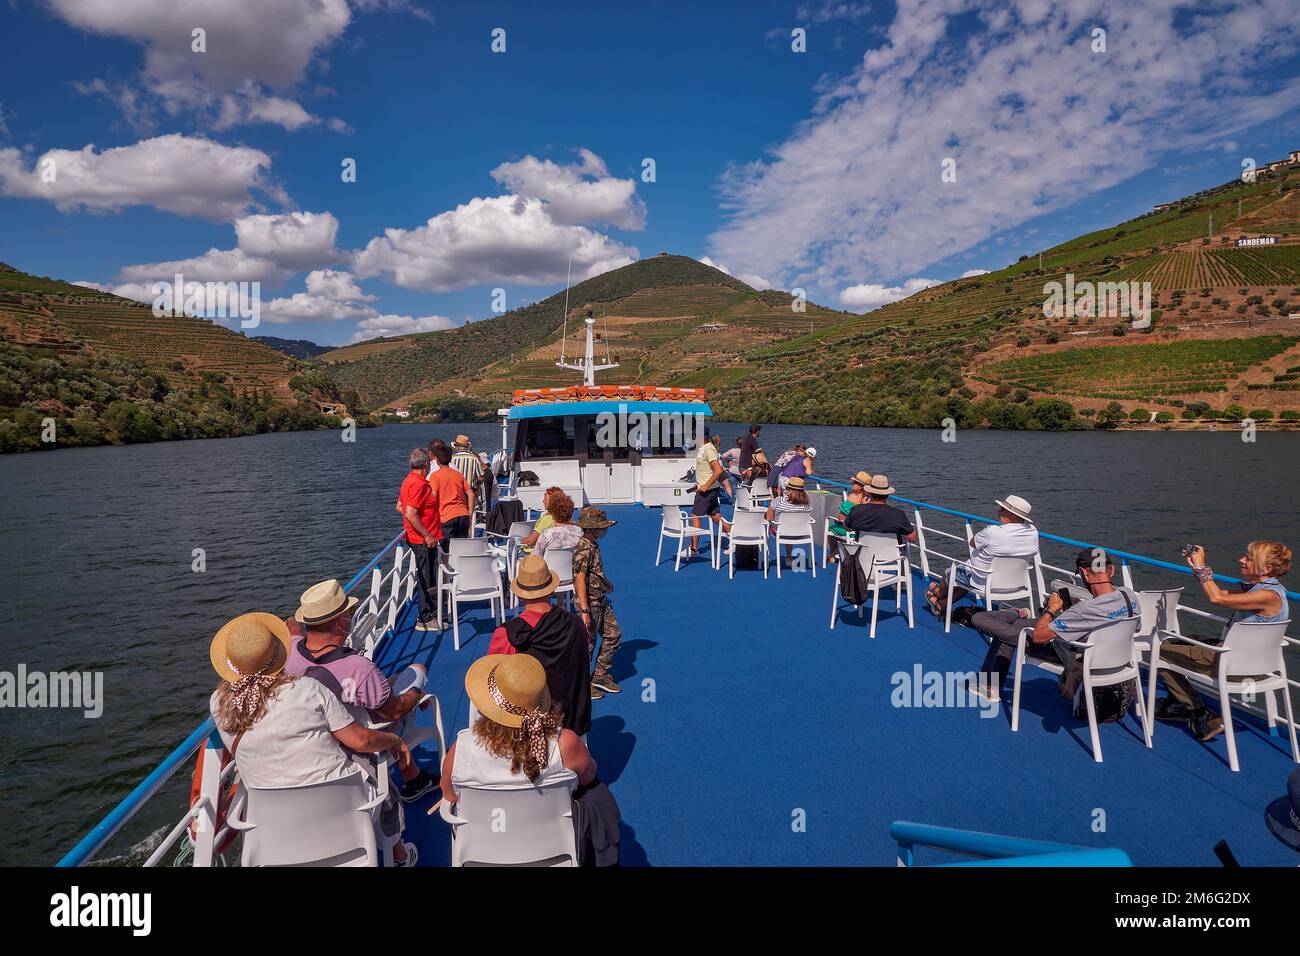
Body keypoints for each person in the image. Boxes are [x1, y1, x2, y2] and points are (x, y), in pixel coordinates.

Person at [208, 612, 420, 866]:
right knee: (379, 776)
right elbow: (361, 741)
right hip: (343, 810)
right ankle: (399, 855)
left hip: (273, 823)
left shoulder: (218, 703)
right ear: (278, 654)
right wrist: (395, 742)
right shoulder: (307, 689)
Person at [442, 654, 620, 866]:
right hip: (552, 849)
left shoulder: (462, 748)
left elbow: (450, 794)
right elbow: (589, 776)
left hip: (481, 852)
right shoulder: (566, 744)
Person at [284, 578, 437, 803]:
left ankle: (414, 775)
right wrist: (417, 693)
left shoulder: (290, 653)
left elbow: (292, 630)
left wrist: (295, 630)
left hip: (323, 733)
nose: (352, 615)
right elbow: (394, 712)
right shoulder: (358, 668)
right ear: (340, 625)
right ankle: (414, 779)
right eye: (350, 611)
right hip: (370, 732)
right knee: (417, 670)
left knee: (391, 680)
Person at [1153, 541, 1292, 742]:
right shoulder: (1270, 591)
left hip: (1233, 665)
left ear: (1267, 569)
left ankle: (1198, 712)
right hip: (1253, 661)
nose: (1241, 560)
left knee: (1161, 649)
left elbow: (1217, 598)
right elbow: (1223, 594)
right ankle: (1178, 702)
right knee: (1182, 641)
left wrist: (1202, 567)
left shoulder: (1267, 596)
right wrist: (1197, 568)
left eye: (1249, 558)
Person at [964, 548, 1131, 703]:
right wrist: (1071, 611)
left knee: (982, 621)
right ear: (1112, 570)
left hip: (1068, 651)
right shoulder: (1129, 597)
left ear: (1084, 573)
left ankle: (1014, 614)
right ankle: (990, 681)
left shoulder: (1084, 610)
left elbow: (1039, 636)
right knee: (1010, 627)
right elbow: (1131, 627)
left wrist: (1051, 610)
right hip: (1108, 656)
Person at [487, 554, 591, 734]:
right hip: (574, 723)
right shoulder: (577, 624)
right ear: (551, 590)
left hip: (527, 730)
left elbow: (493, 683)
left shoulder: (508, 634)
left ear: (519, 594)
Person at [926, 494, 1036, 616]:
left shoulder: (993, 531)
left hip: (985, 582)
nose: (998, 511)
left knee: (950, 572)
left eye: (1003, 509)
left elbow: (973, 542)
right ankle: (941, 603)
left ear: (1013, 515)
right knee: (967, 576)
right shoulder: (1032, 532)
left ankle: (938, 596)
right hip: (1017, 583)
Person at [573, 507, 622, 700]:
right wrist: (585, 610)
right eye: (602, 527)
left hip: (600, 598)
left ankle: (599, 675)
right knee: (588, 644)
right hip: (590, 603)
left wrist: (605, 581)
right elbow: (579, 579)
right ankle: (582, 685)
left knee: (613, 634)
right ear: (592, 529)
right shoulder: (583, 548)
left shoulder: (593, 544)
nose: (605, 530)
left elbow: (594, 572)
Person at [397, 447, 440, 631]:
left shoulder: (408, 481)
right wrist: (427, 534)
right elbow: (410, 512)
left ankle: (428, 611)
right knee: (425, 577)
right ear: (425, 464)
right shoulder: (419, 484)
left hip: (416, 537)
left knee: (427, 575)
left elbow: (399, 506)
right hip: (422, 540)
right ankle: (424, 617)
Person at [688, 426, 731, 551]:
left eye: (695, 435)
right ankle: (736, 537)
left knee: (695, 515)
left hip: (707, 491)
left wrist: (706, 485)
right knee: (716, 516)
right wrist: (699, 483)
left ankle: (693, 549)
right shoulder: (703, 449)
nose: (693, 437)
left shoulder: (709, 449)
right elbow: (705, 471)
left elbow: (718, 470)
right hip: (707, 489)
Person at [844, 474, 918, 544]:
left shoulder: (856, 510)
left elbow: (847, 527)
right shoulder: (898, 514)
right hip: (891, 556)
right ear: (887, 494)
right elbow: (912, 538)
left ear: (869, 493)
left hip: (863, 556)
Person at [428, 445, 476, 551]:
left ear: (437, 460)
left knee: (447, 550)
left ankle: (447, 566)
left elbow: (433, 497)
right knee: (461, 548)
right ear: (450, 459)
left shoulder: (435, 476)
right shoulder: (458, 475)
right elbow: (471, 494)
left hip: (446, 517)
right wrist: (469, 513)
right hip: (463, 515)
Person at [765, 475, 812, 563]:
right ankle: (789, 556)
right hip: (802, 531)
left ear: (787, 488)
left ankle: (765, 556)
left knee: (767, 524)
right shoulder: (806, 504)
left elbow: (769, 517)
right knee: (789, 524)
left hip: (782, 531)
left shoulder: (779, 500)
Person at [826, 471, 870, 562]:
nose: (852, 484)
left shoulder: (852, 497)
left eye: (855, 483)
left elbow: (841, 517)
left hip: (849, 529)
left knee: (831, 528)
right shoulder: (869, 499)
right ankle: (834, 555)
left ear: (861, 486)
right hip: (862, 529)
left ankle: (833, 555)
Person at [535, 492, 583, 557]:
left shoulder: (546, 534)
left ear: (553, 515)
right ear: (571, 513)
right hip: (572, 566)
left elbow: (536, 557)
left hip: (550, 566)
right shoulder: (578, 531)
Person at [519, 486, 562, 553]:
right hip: (556, 555)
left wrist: (517, 540)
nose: (543, 501)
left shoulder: (545, 520)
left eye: (545, 499)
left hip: (537, 556)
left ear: (552, 502)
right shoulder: (564, 520)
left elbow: (530, 541)